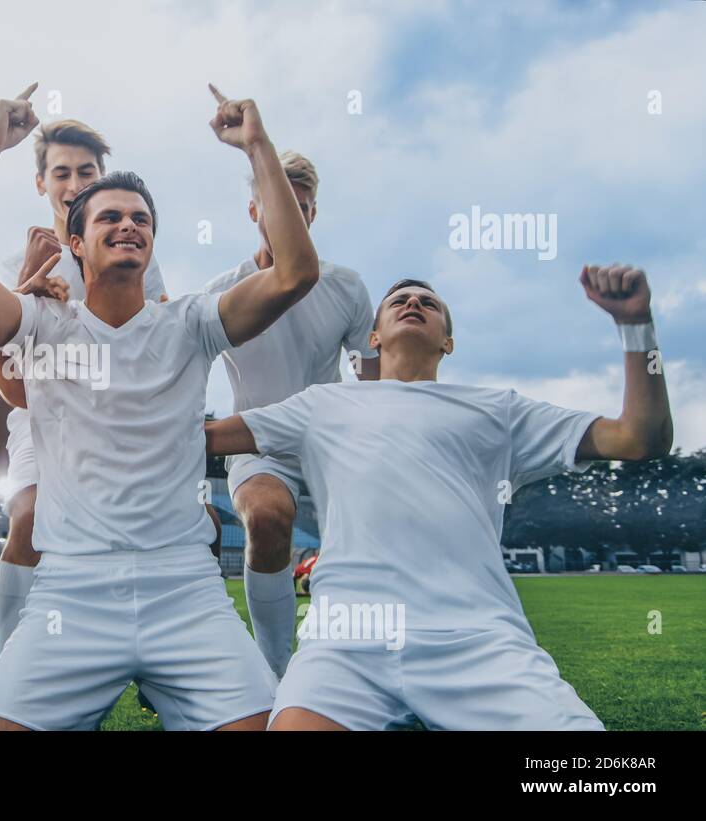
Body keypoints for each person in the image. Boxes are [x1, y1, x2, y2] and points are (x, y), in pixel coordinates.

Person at [0, 84, 319, 730]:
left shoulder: (191, 322)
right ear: (76, 244)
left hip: (185, 591)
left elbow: (294, 273)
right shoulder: (43, 322)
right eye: (108, 217)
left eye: (139, 217)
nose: (127, 224)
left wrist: (256, 145)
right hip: (73, 594)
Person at [205, 265, 673, 730]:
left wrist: (636, 327)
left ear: (447, 343)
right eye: (400, 302)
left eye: (428, 303)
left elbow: (638, 438)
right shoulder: (322, 404)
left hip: (479, 641)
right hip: (345, 644)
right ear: (372, 339)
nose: (414, 304)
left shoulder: (497, 409)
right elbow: (206, 438)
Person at [0, 118, 169, 660]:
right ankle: (9, 669)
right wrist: (25, 296)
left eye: (86, 171)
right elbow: (13, 388)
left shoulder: (132, 253)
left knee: (181, 522)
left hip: (120, 417)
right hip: (46, 419)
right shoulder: (17, 265)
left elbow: (158, 344)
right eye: (61, 172)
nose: (73, 182)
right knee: (30, 513)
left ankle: (157, 657)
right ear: (41, 183)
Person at [202, 150, 379, 678]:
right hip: (259, 445)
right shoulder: (220, 293)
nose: (290, 217)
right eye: (278, 206)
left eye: (301, 208)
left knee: (376, 529)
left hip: (332, 442)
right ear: (255, 211)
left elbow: (375, 383)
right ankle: (275, 672)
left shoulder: (345, 286)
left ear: (313, 214)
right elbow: (181, 367)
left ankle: (361, 661)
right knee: (266, 517)